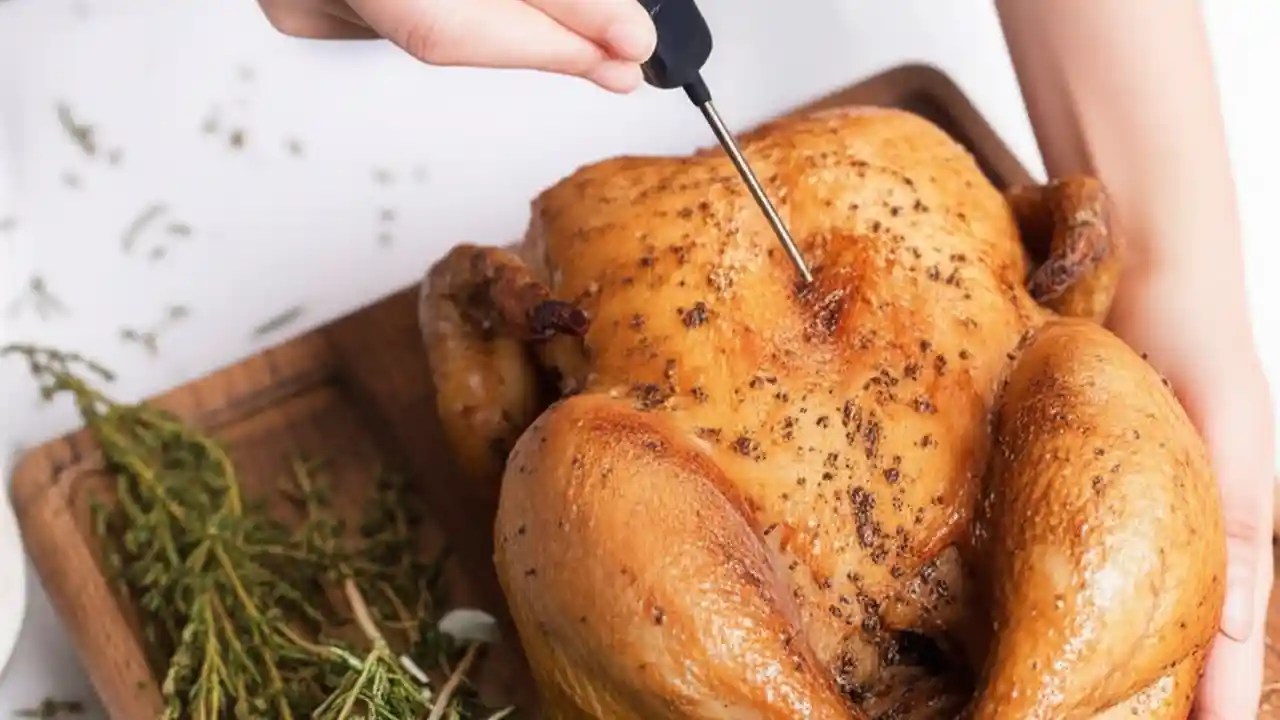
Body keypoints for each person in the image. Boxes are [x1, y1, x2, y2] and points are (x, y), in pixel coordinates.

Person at [256, 1, 1276, 717]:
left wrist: (1173, 264)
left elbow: (1076, 264)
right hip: (695, 520)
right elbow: (492, 432)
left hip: (977, 370)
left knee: (1082, 375)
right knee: (570, 463)